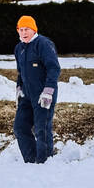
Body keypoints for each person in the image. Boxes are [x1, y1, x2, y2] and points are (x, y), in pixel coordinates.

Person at [13, 15, 60, 164]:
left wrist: (48, 90)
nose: (24, 32)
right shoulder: (19, 48)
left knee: (42, 129)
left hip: (43, 94)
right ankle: (31, 160)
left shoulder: (43, 44)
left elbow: (54, 68)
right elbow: (21, 71)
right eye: (21, 29)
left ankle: (45, 162)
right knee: (20, 127)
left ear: (34, 30)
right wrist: (19, 88)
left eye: (27, 29)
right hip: (26, 95)